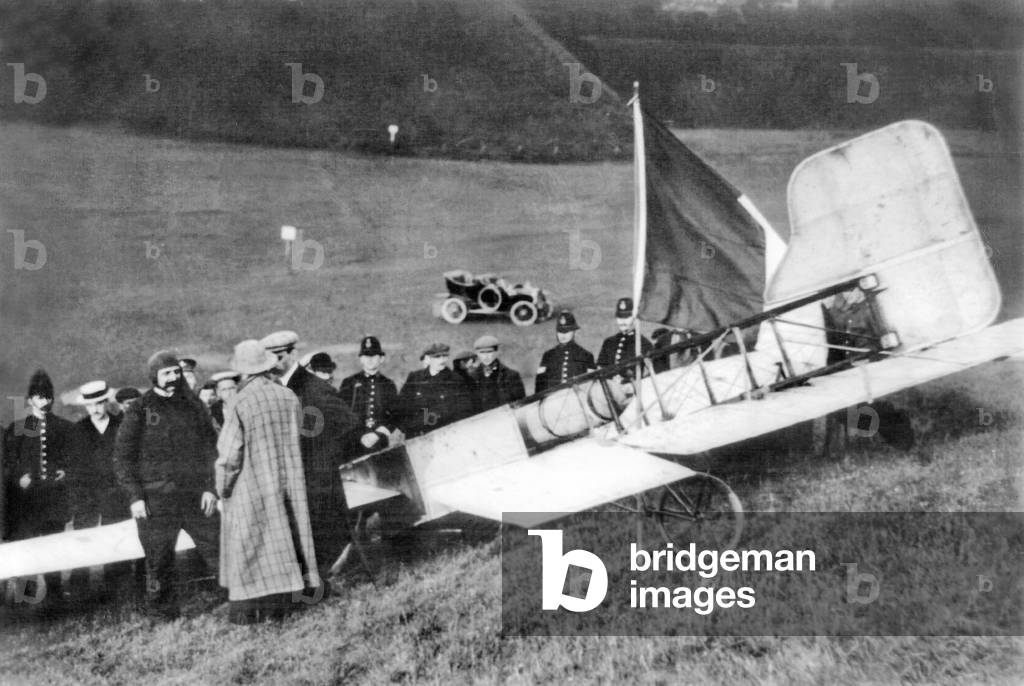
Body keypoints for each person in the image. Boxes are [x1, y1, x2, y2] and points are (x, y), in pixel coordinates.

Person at [216, 340, 324, 624]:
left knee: (252, 544)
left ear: (242, 371)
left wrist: (222, 488)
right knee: (285, 539)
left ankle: (252, 609)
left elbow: (229, 456)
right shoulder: (287, 396)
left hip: (251, 483)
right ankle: (289, 601)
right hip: (288, 480)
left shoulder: (239, 402)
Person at [111, 350, 220, 620]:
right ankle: (163, 612)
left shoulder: (194, 405)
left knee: (218, 547)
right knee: (158, 561)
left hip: (196, 496)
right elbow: (123, 458)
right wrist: (135, 497)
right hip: (155, 500)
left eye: (175, 372)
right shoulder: (140, 408)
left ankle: (234, 597)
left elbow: (211, 450)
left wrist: (210, 488)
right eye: (166, 373)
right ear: (154, 377)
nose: (172, 378)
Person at [260, 330, 360, 573]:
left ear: (294, 354)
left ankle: (330, 574)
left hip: (317, 477)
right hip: (295, 476)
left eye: (279, 356)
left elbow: (348, 423)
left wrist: (324, 457)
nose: (274, 363)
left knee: (323, 530)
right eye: (269, 357)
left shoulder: (313, 388)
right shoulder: (278, 388)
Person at [2, 369, 76, 606]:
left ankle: (55, 593)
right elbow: (8, 461)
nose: (43, 402)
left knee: (54, 545)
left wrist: (66, 470)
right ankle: (26, 596)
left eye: (47, 397)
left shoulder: (64, 427)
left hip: (54, 498)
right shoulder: (21, 427)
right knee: (28, 548)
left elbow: (74, 457)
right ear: (30, 400)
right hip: (27, 502)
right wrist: (19, 477)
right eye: (38, 397)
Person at [67, 380, 131, 603]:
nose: (95, 409)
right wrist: (79, 495)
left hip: (117, 493)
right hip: (88, 495)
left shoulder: (121, 425)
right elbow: (74, 466)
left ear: (106, 402)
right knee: (84, 539)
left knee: (117, 538)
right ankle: (79, 590)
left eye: (99, 403)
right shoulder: (79, 430)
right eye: (90, 405)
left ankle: (117, 587)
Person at [397, 343, 474, 438]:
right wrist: (407, 427)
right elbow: (401, 406)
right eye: (437, 357)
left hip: (444, 436)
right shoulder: (415, 377)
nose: (442, 360)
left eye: (445, 356)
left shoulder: (456, 380)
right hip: (416, 435)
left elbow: (464, 411)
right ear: (428, 359)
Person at [338, 336, 399, 457]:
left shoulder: (388, 384)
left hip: (379, 441)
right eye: (366, 356)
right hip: (354, 441)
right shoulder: (349, 383)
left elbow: (395, 415)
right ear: (360, 358)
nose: (370, 359)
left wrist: (378, 434)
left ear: (381, 358)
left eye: (374, 356)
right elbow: (342, 414)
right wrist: (360, 434)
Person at [534, 311, 596, 394]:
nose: (563, 335)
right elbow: (540, 383)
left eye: (566, 331)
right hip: (552, 401)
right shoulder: (548, 355)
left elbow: (591, 385)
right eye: (560, 331)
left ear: (574, 331)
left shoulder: (586, 355)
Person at [469, 335, 525, 412]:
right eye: (482, 353)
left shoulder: (511, 375)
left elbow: (520, 405)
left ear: (496, 352)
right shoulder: (471, 377)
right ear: (477, 354)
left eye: (489, 352)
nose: (486, 357)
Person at [597, 297, 653, 375]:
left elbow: (652, 372)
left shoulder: (644, 344)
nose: (622, 321)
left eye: (626, 317)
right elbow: (600, 368)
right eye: (620, 317)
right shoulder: (609, 342)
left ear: (634, 318)